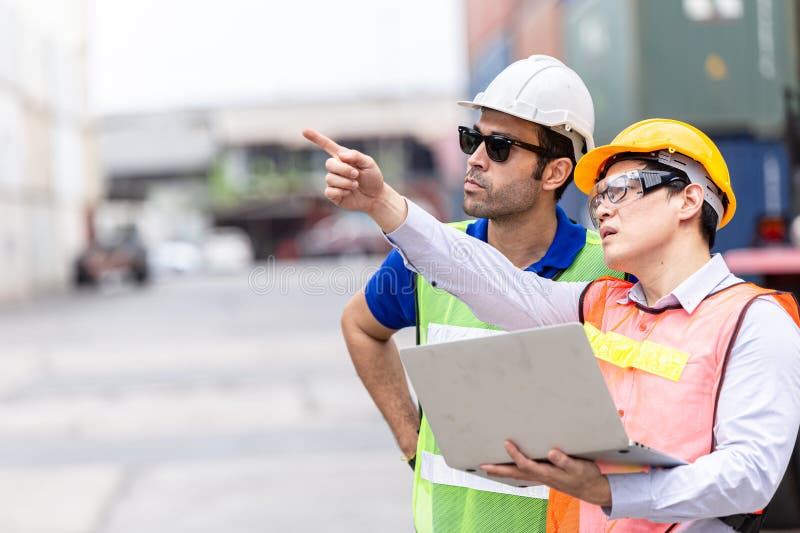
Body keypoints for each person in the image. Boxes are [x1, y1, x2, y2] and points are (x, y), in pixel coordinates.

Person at [306, 118, 800, 532]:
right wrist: (384, 204)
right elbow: (487, 282)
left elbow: (751, 473)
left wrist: (613, 490)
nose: (603, 206)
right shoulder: (601, 304)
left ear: (689, 201)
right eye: (598, 197)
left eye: (623, 189)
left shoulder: (755, 321)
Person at [304, 55, 625, 532]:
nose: (473, 158)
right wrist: (411, 441)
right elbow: (360, 326)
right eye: (471, 138)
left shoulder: (611, 271)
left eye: (498, 147)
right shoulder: (425, 255)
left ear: (555, 173)